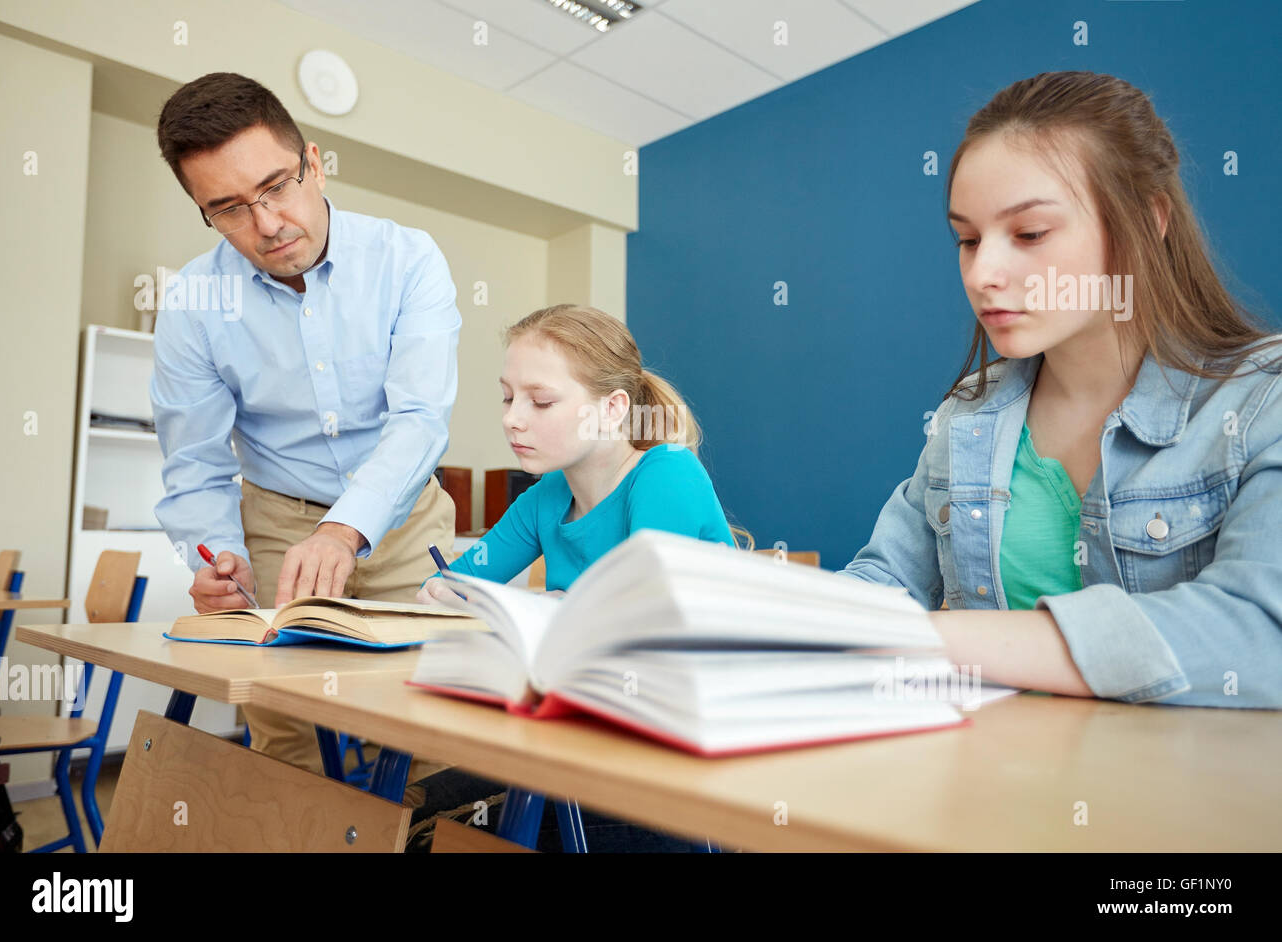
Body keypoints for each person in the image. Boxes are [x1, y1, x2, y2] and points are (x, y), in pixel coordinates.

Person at [841, 71, 1282, 708]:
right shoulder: (967, 416)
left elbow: (1261, 636)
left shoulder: (1261, 398)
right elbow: (883, 578)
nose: (983, 273)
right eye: (967, 239)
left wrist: (942, 640)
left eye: (1029, 234)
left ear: (1147, 218)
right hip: (985, 788)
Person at [150, 72, 459, 789]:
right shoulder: (194, 302)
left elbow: (419, 420)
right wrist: (218, 563)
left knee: (443, 730)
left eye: (277, 186)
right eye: (227, 208)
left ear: (314, 163)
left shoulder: (409, 259)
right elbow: (194, 463)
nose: (266, 225)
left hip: (406, 518)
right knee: (284, 735)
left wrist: (345, 529)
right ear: (204, 211)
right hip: (277, 526)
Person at [410, 303, 737, 850]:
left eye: (540, 401)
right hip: (580, 738)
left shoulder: (666, 474)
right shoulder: (545, 497)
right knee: (404, 807)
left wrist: (540, 609)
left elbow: (638, 619)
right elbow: (448, 587)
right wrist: (456, 594)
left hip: (678, 766)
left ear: (611, 411)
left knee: (433, 834)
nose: (513, 418)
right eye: (508, 397)